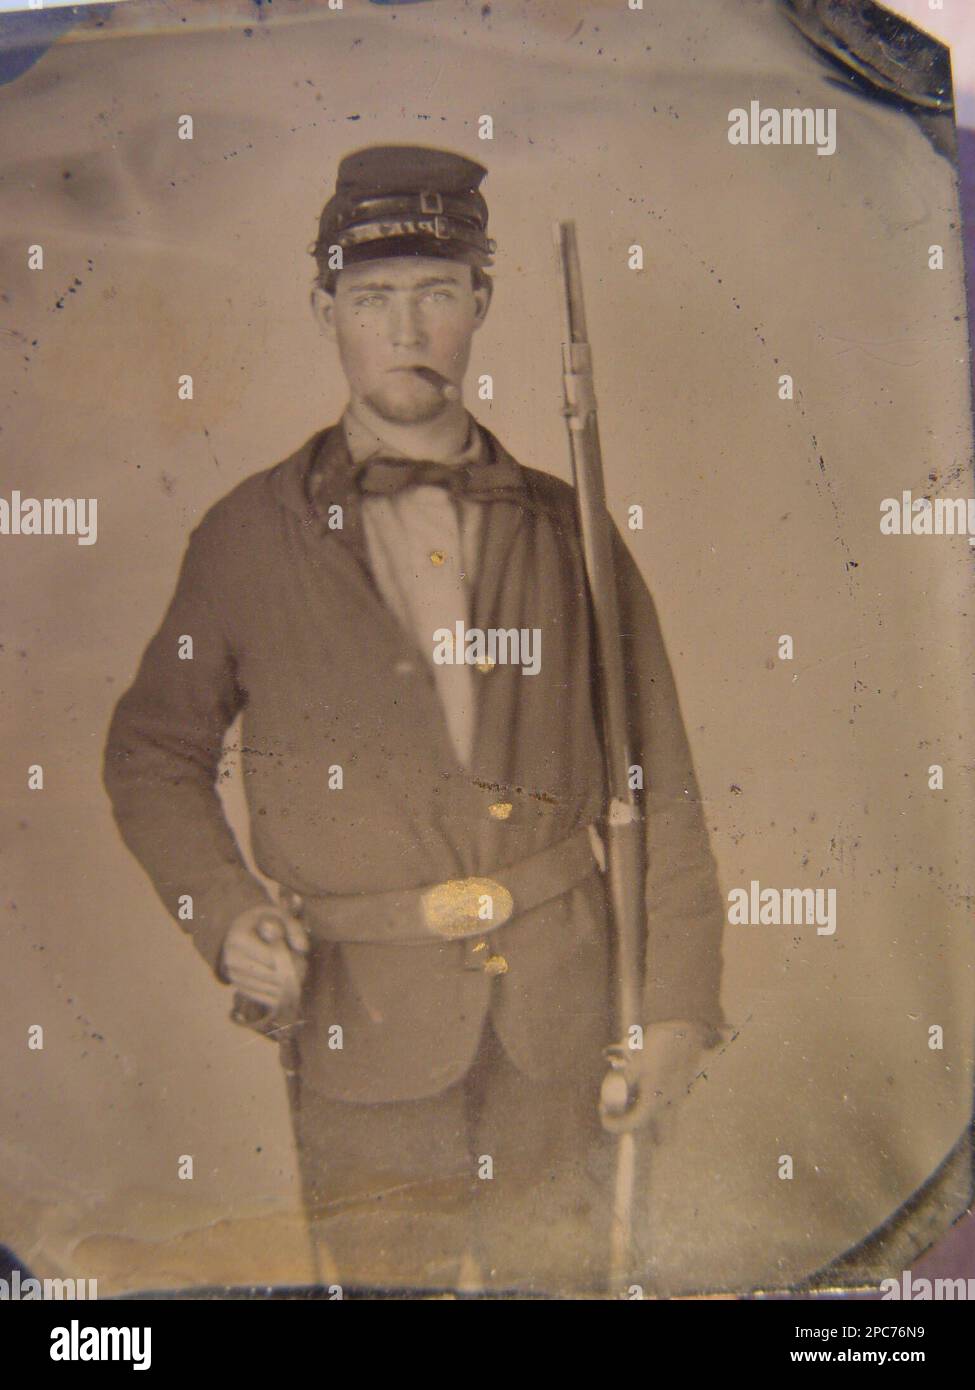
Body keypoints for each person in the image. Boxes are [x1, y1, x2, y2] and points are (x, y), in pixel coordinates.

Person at [103, 144, 727, 1295]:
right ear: (325, 310)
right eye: (373, 300)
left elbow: (665, 783)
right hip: (361, 1029)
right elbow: (151, 755)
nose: (406, 330)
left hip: (566, 1018)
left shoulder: (572, 529)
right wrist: (225, 911)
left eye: (437, 295)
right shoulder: (244, 536)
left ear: (480, 304)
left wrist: (680, 1012)